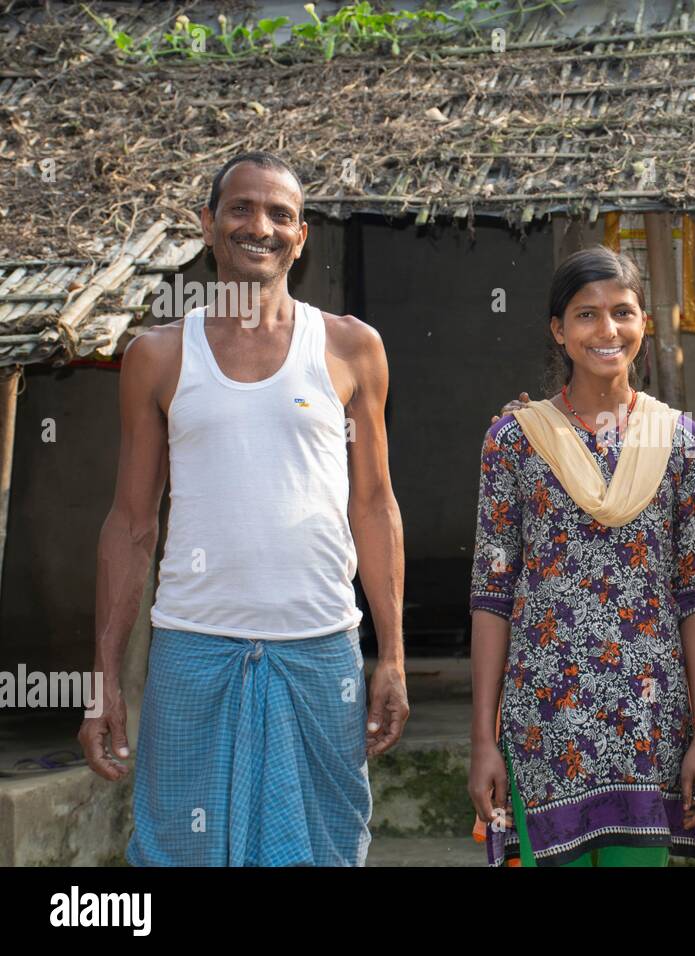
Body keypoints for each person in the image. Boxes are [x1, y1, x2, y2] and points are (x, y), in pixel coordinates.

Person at [79, 152, 409, 866]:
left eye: (280, 214)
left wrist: (393, 654)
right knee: (178, 848)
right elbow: (132, 525)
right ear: (208, 225)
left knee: (323, 846)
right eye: (241, 209)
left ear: (301, 235)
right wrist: (103, 676)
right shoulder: (160, 355)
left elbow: (375, 505)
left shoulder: (352, 347)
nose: (259, 226)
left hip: (321, 648)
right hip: (194, 648)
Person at [467, 246, 695, 867]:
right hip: (546, 722)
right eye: (587, 315)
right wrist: (482, 740)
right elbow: (492, 596)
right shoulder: (516, 441)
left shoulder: (679, 440)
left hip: (650, 722)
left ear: (642, 323)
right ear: (558, 329)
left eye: (624, 313)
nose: (608, 331)